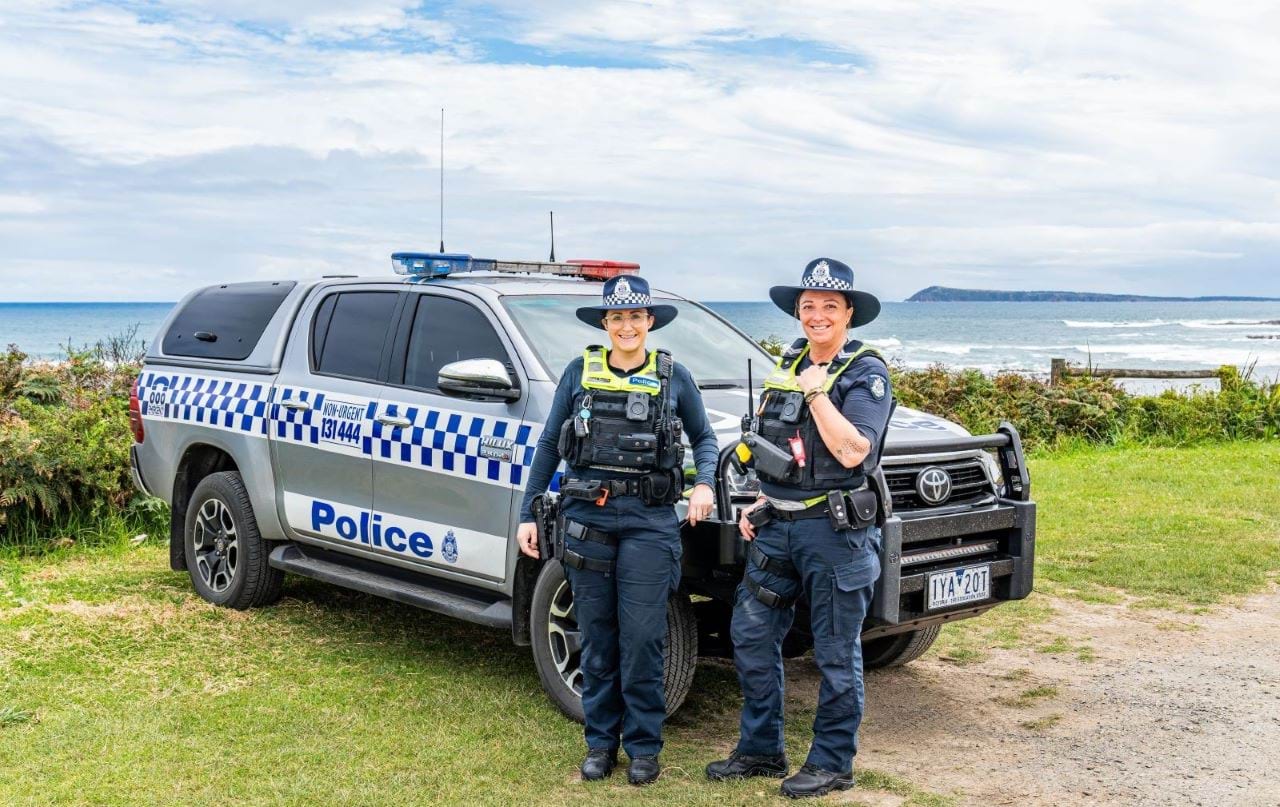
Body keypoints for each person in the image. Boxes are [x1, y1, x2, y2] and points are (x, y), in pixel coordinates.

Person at [516, 274, 719, 786]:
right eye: (617, 317)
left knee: (645, 638)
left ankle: (644, 747)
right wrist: (527, 514)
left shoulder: (674, 377)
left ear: (649, 321)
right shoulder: (578, 373)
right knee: (598, 637)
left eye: (635, 317)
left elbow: (705, 438)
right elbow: (549, 446)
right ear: (605, 323)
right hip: (589, 520)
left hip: (649, 523)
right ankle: (601, 744)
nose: (626, 326)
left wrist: (704, 484)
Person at [706, 258, 893, 799]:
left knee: (835, 651)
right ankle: (761, 749)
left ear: (849, 313)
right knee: (751, 635)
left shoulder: (865, 373)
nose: (817, 315)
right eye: (808, 305)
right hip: (776, 528)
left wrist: (816, 393)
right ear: (797, 312)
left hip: (833, 535)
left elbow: (854, 451)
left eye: (830, 306)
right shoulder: (790, 362)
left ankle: (833, 763)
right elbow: (781, 446)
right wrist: (762, 499)